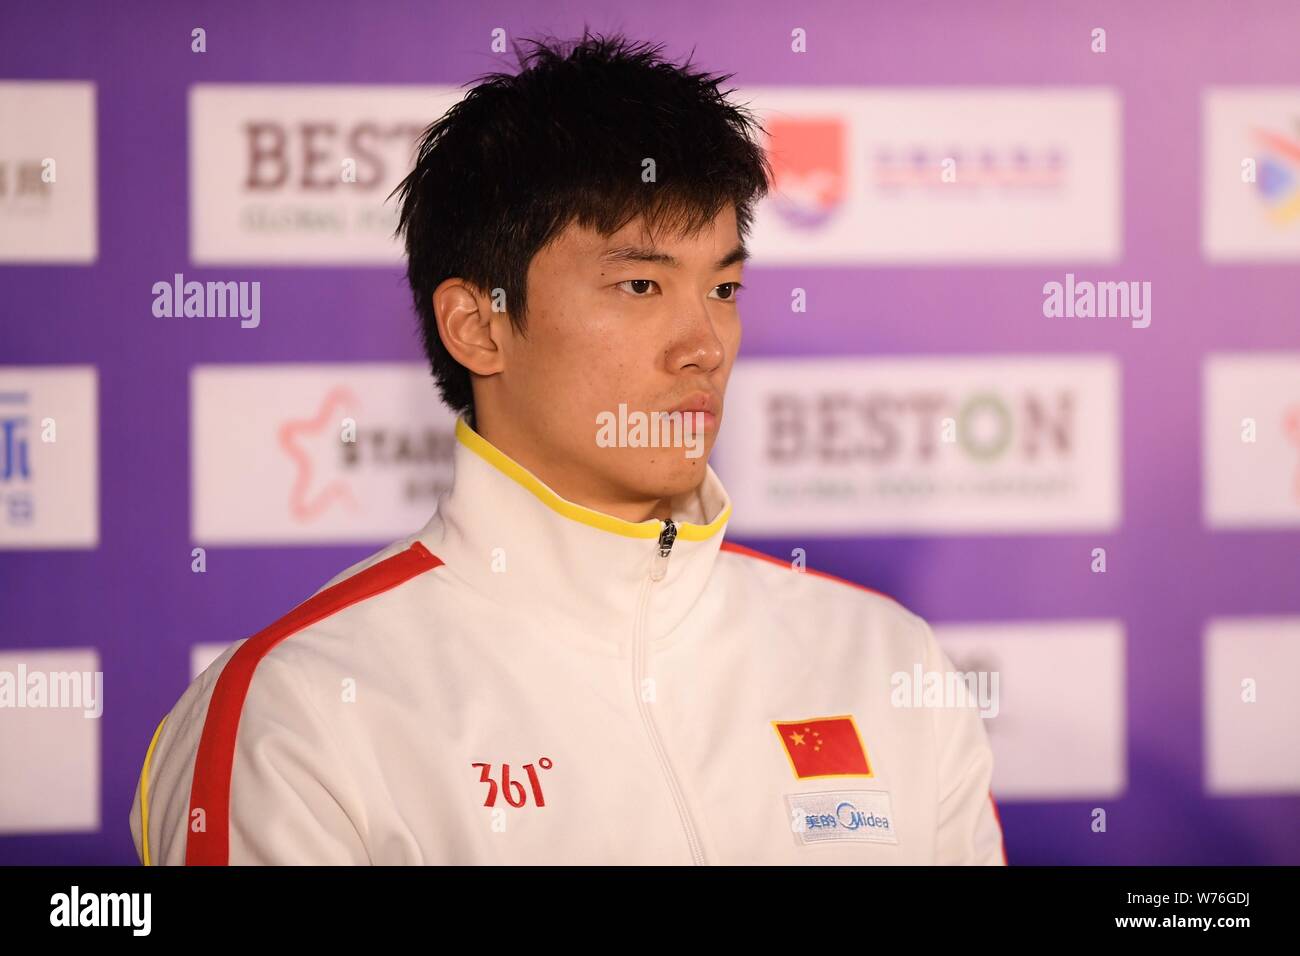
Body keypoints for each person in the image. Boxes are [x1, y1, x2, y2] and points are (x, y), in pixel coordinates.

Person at [130, 31, 1006, 865]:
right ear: (478, 326)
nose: (705, 343)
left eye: (725, 286)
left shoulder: (890, 662)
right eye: (640, 284)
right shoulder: (299, 711)